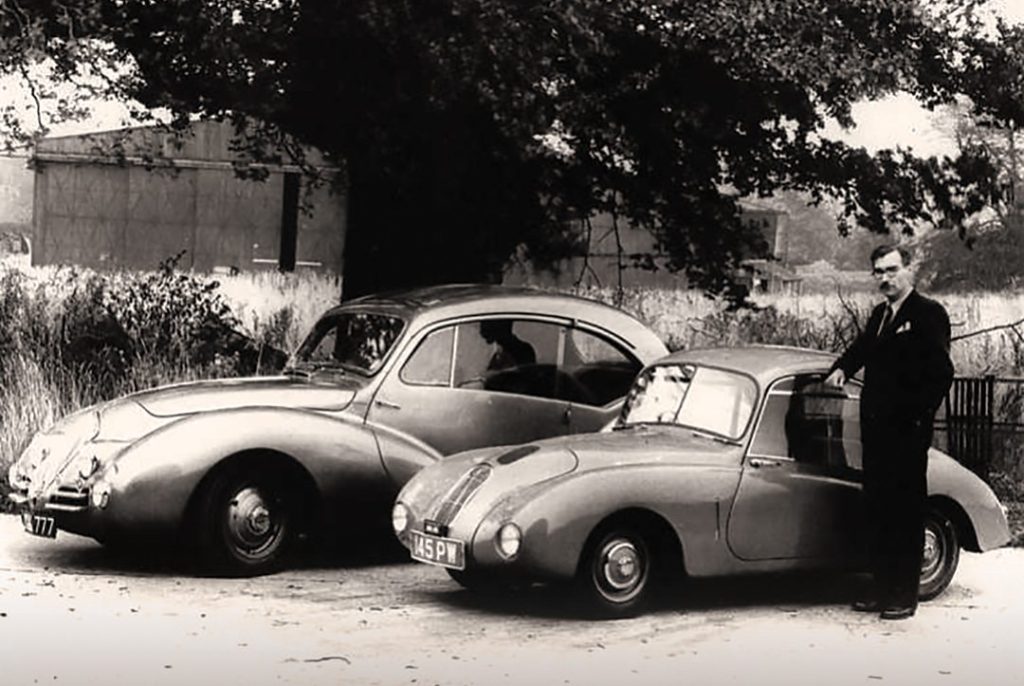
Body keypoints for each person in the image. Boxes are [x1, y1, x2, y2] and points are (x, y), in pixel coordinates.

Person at [824, 243, 953, 620]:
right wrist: (841, 369)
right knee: (878, 508)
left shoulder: (928, 313)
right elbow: (862, 349)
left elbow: (941, 373)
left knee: (905, 511)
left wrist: (918, 417)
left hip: (907, 433)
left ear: (908, 269)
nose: (885, 278)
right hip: (876, 431)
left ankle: (903, 594)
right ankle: (881, 589)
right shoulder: (881, 315)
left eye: (892, 270)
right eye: (879, 271)